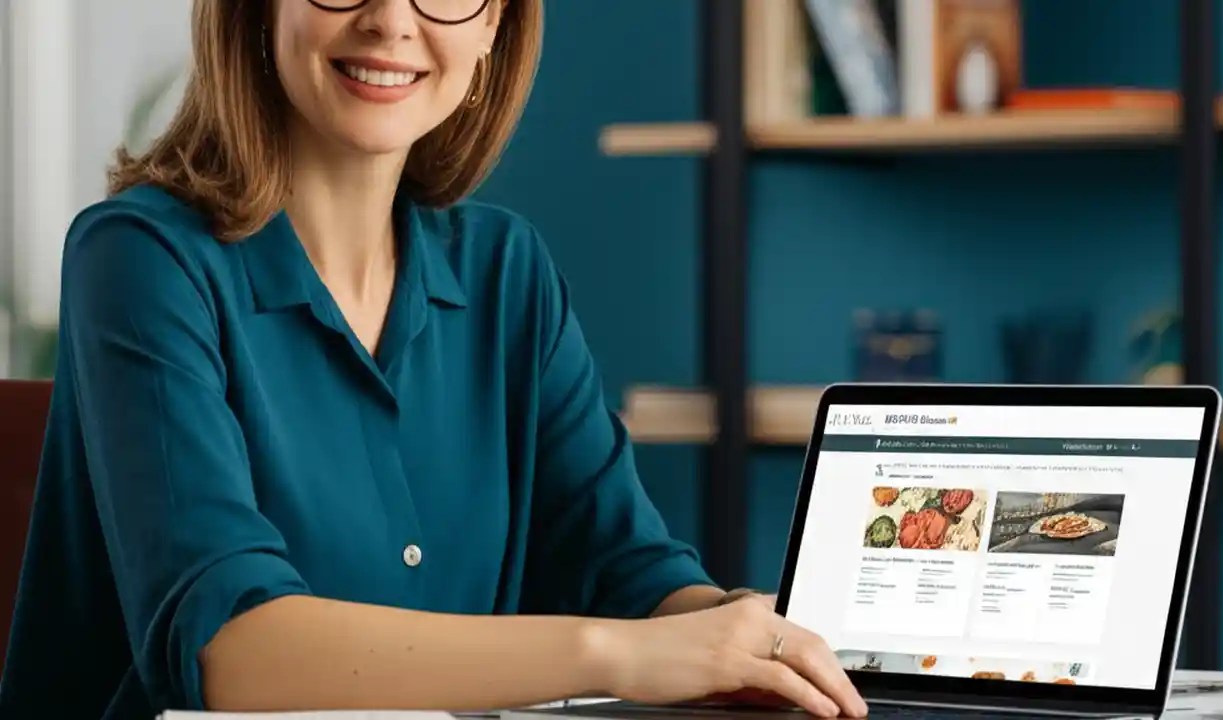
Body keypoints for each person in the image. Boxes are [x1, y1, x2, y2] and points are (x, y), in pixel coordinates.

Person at [0, 1, 867, 718]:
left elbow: (624, 565)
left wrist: (741, 638)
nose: (389, 21)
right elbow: (231, 650)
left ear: (495, 26)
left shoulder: (505, 269)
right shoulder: (142, 256)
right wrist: (625, 655)